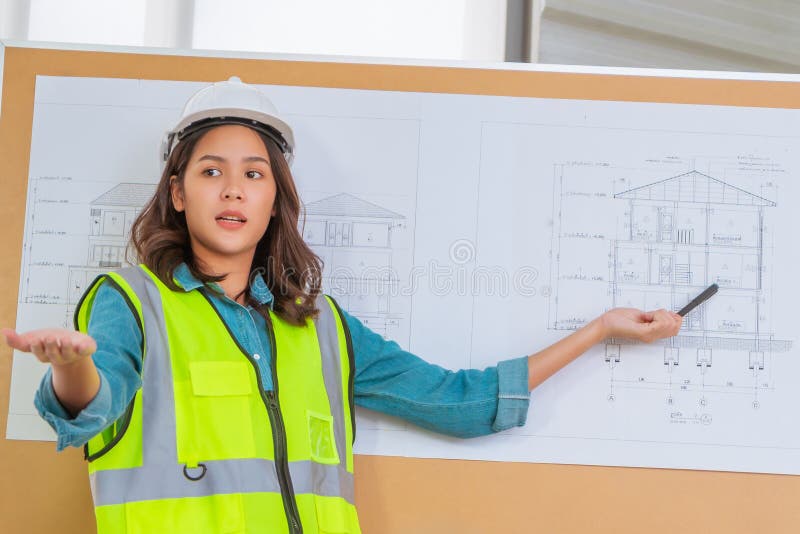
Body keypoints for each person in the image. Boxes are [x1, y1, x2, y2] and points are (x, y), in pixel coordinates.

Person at [2, 77, 682, 533]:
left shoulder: (320, 328)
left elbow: (464, 401)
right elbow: (94, 406)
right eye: (211, 171)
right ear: (178, 193)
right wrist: (69, 370)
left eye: (253, 174)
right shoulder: (131, 302)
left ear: (274, 202)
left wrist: (599, 330)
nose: (232, 190)